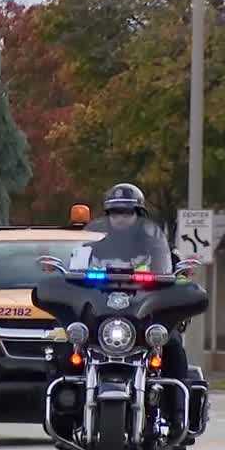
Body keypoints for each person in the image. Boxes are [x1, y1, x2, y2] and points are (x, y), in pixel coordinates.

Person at [90, 183, 198, 433]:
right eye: (115, 213)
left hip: (147, 320)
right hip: (105, 321)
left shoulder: (160, 250)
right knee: (69, 349)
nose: (121, 218)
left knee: (174, 348)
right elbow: (77, 281)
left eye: (127, 212)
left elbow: (179, 279)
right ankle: (67, 405)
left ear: (138, 215)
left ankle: (177, 416)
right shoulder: (93, 249)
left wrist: (182, 287)